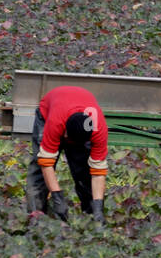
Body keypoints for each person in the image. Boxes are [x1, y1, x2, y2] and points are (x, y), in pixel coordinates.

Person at [26, 85, 108, 223]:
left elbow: (98, 171)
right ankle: (36, 214)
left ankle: (92, 216)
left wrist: (98, 206)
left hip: (75, 103)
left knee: (84, 169)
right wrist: (57, 196)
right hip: (50, 108)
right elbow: (46, 163)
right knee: (38, 171)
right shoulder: (55, 123)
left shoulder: (99, 130)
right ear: (64, 132)